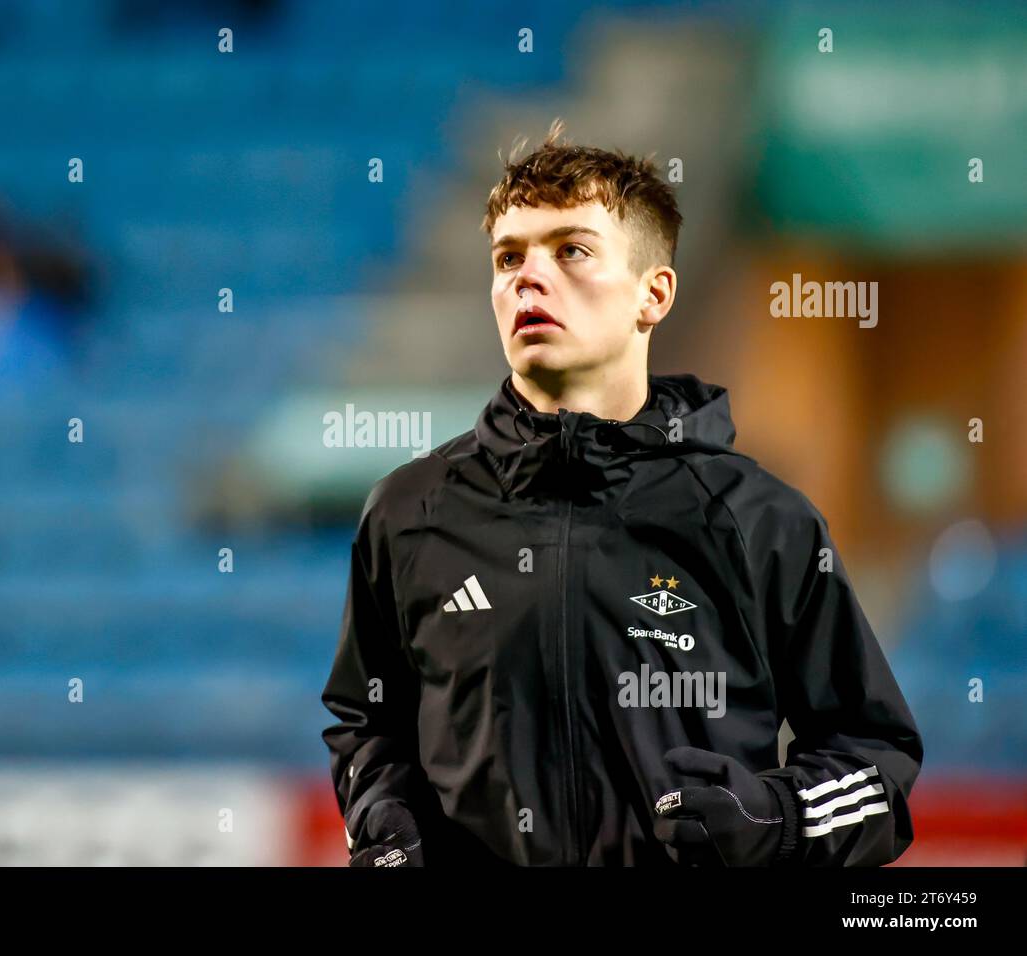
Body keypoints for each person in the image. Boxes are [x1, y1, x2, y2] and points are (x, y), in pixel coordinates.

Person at [319, 119, 922, 867]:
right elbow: (367, 721)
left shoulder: (759, 519)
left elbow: (874, 758)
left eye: (571, 250)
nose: (527, 278)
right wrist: (383, 815)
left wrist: (775, 818)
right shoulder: (408, 512)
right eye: (509, 257)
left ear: (654, 295)